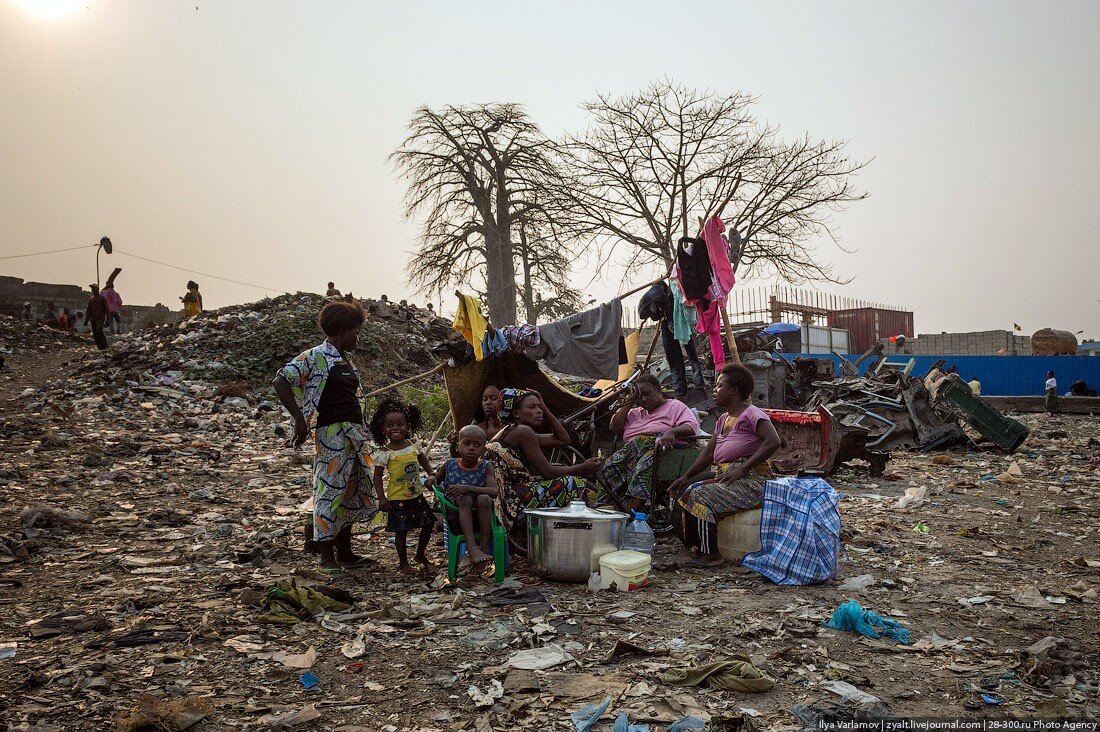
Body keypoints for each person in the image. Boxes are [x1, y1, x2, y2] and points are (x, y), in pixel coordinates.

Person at [273, 300, 375, 572]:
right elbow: (281, 381)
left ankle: (345, 553)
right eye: (355, 331)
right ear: (342, 330)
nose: (357, 336)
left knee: (350, 490)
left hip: (353, 434)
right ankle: (326, 557)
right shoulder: (315, 356)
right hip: (331, 434)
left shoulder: (346, 361)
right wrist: (298, 419)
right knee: (328, 492)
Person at [669, 364, 781, 568]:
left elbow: (773, 441)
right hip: (729, 477)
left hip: (753, 481)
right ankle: (697, 548)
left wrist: (743, 469)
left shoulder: (752, 414)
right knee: (688, 489)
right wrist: (685, 476)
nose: (714, 390)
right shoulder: (722, 420)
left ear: (734, 390)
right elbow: (707, 454)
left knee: (699, 495)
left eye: (719, 386)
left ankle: (711, 555)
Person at [488, 389, 602, 537]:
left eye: (539, 407)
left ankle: (595, 509)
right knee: (572, 483)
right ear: (516, 414)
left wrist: (545, 408)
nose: (538, 411)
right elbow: (547, 472)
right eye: (532, 407)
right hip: (512, 502)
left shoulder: (515, 431)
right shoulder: (522, 432)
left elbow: (563, 439)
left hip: (514, 494)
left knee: (572, 477)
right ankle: (570, 536)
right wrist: (583, 467)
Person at [599, 374, 700, 513]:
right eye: (639, 397)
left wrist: (671, 431)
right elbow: (615, 427)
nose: (643, 400)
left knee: (644, 464)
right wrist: (630, 400)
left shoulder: (675, 406)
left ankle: (630, 513)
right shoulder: (634, 413)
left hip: (660, 451)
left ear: (659, 390)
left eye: (647, 394)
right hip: (631, 452)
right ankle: (606, 508)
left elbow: (691, 427)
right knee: (610, 464)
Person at [370, 399, 436, 574]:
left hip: (417, 495)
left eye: (400, 424)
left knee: (428, 524)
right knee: (401, 531)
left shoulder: (413, 445)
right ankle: (403, 564)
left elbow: (422, 458)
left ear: (408, 426)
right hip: (397, 498)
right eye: (390, 425)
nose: (395, 428)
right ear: (383, 429)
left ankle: (420, 555)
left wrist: (431, 473)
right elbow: (377, 476)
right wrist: (381, 497)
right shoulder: (385, 453)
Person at [435, 425, 498, 573]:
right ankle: (471, 547)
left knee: (484, 499)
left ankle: (482, 549)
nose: (471, 448)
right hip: (456, 520)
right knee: (464, 499)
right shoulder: (449, 465)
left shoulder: (485, 466)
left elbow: (493, 492)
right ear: (458, 446)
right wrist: (431, 479)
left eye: (477, 445)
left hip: (482, 520)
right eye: (466, 443)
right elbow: (435, 481)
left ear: (483, 449)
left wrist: (468, 488)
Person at [638, 282, 705, 398]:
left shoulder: (662, 292)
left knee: (678, 358)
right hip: (674, 321)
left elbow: (652, 315)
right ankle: (695, 385)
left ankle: (682, 390)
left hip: (678, 320)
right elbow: (652, 314)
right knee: (688, 355)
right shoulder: (659, 294)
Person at [85, 284, 109, 350]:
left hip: (100, 318)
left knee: (99, 331)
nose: (93, 290)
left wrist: (108, 320)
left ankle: (105, 344)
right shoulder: (91, 299)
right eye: (92, 289)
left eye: (94, 289)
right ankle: (100, 347)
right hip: (93, 319)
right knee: (95, 334)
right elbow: (89, 310)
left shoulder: (102, 298)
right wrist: (86, 320)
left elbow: (107, 310)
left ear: (98, 290)